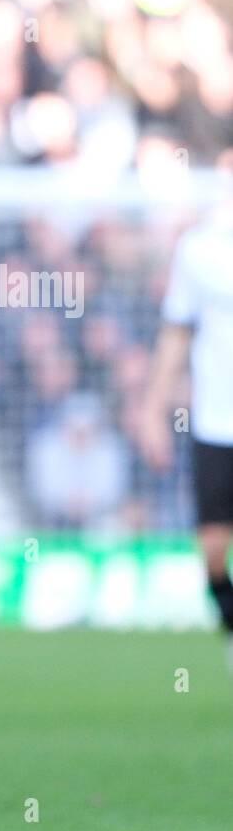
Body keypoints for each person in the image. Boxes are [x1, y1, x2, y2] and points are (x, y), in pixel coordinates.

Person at [141, 198, 233, 669]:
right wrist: (154, 410)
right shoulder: (200, 248)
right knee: (214, 552)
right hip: (217, 422)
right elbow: (177, 331)